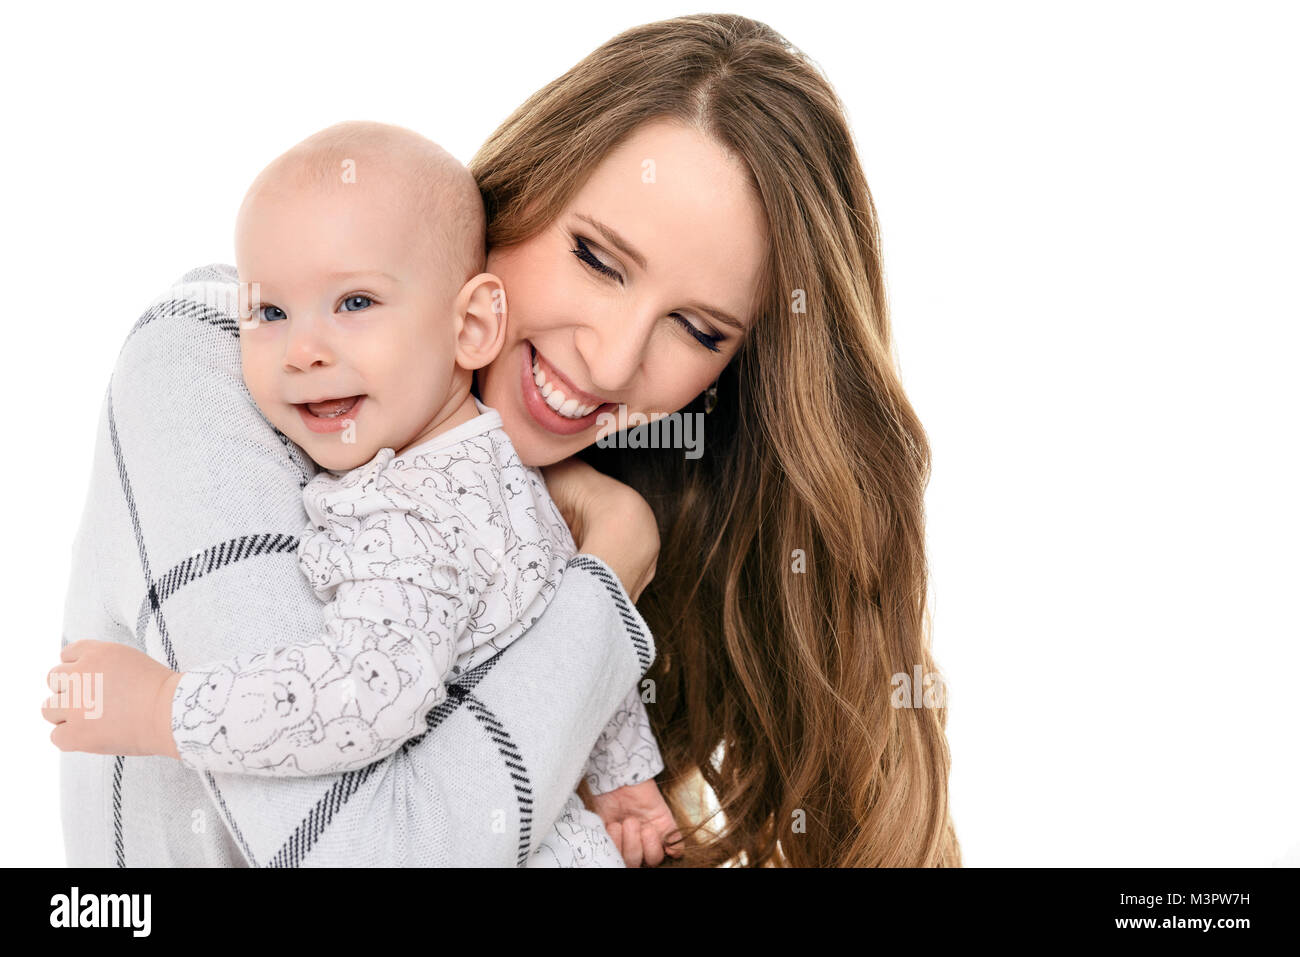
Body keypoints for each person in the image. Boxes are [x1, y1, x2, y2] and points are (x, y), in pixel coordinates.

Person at [54, 12, 961, 867]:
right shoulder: (211, 356)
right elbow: (364, 849)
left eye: (697, 329)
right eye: (597, 259)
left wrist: (616, 711)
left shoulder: (516, 493)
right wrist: (608, 576)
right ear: (521, 196)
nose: (609, 364)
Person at [45, 121, 681, 866]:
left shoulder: (409, 509)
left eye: (355, 303)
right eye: (269, 312)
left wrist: (165, 709)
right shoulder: (502, 466)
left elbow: (366, 695)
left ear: (472, 324)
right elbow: (551, 635)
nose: (305, 351)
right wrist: (627, 780)